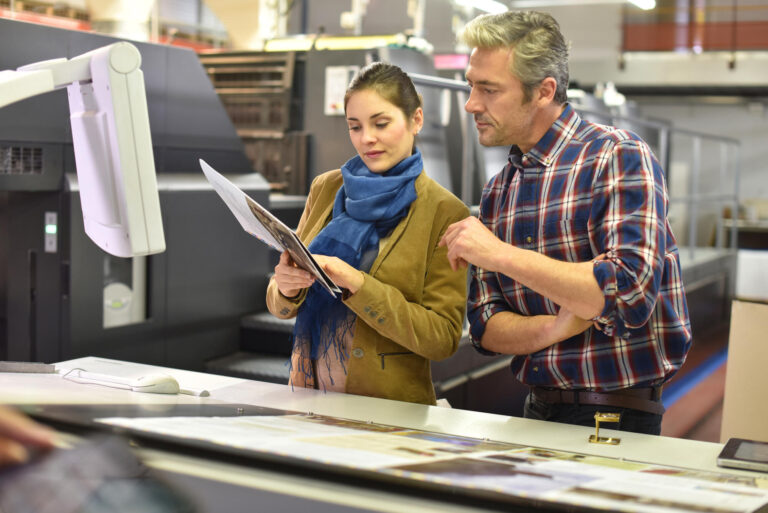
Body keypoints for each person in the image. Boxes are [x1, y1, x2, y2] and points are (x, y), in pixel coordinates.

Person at [439, 11, 691, 434]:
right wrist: (557, 327)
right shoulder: (500, 188)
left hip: (614, 417)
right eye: (470, 85)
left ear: (544, 91)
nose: (471, 104)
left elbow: (625, 294)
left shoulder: (617, 156)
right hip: (536, 409)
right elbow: (486, 326)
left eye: (488, 89)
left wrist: (499, 255)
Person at [266, 62, 469, 405]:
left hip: (388, 408)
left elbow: (442, 338)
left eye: (381, 123)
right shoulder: (327, 188)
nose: (366, 138)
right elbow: (279, 303)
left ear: (416, 120)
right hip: (307, 395)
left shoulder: (444, 212)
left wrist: (359, 285)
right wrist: (284, 288)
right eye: (355, 127)